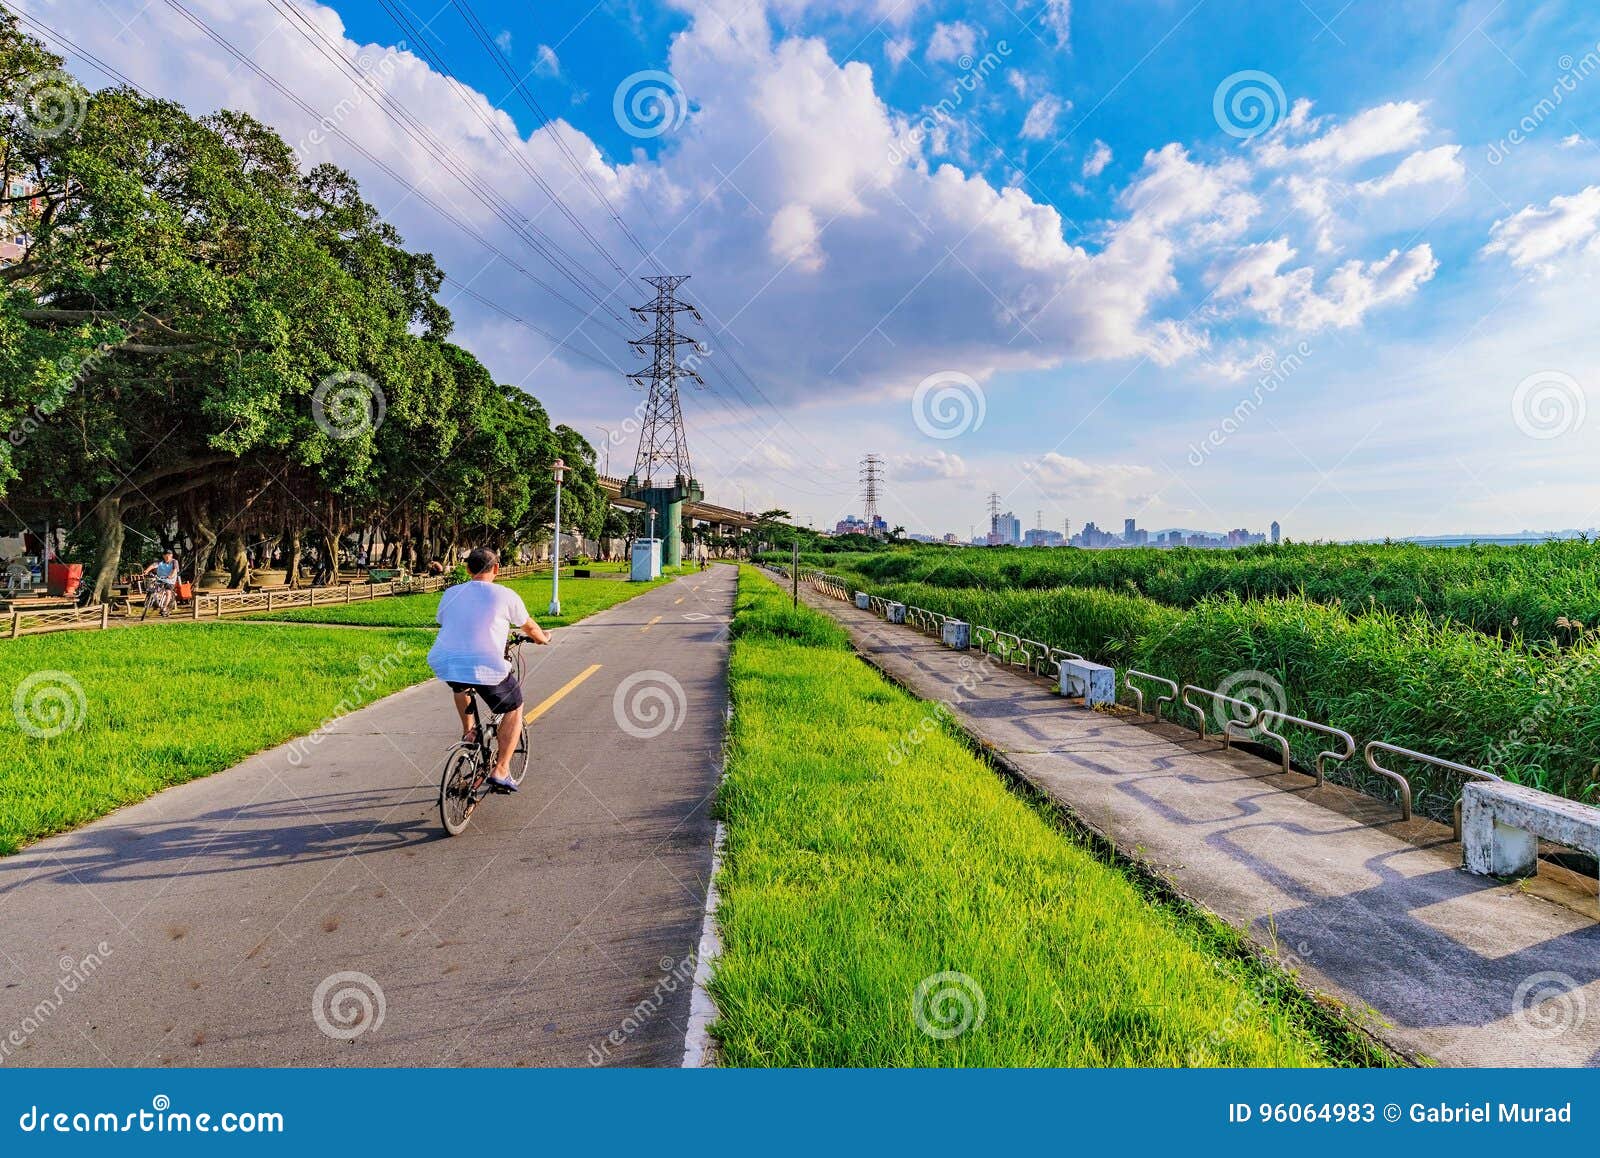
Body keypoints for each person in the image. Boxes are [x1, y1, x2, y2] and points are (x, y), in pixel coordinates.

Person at [427, 547, 550, 792]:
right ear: (496, 568)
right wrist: (543, 638)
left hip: (445, 662)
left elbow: (446, 620)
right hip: (487, 666)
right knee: (514, 706)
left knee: (461, 684)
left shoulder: (450, 593)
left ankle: (469, 733)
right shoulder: (506, 595)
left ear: (467, 569)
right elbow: (530, 627)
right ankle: (501, 770)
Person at [141, 550, 181, 617]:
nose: (167, 557)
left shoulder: (174, 562)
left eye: (169, 556)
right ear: (163, 556)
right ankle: (152, 600)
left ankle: (164, 607)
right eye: (166, 556)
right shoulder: (160, 562)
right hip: (160, 578)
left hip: (170, 580)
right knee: (153, 587)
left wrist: (171, 575)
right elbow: (153, 565)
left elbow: (175, 570)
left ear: (171, 556)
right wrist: (146, 571)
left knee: (168, 592)